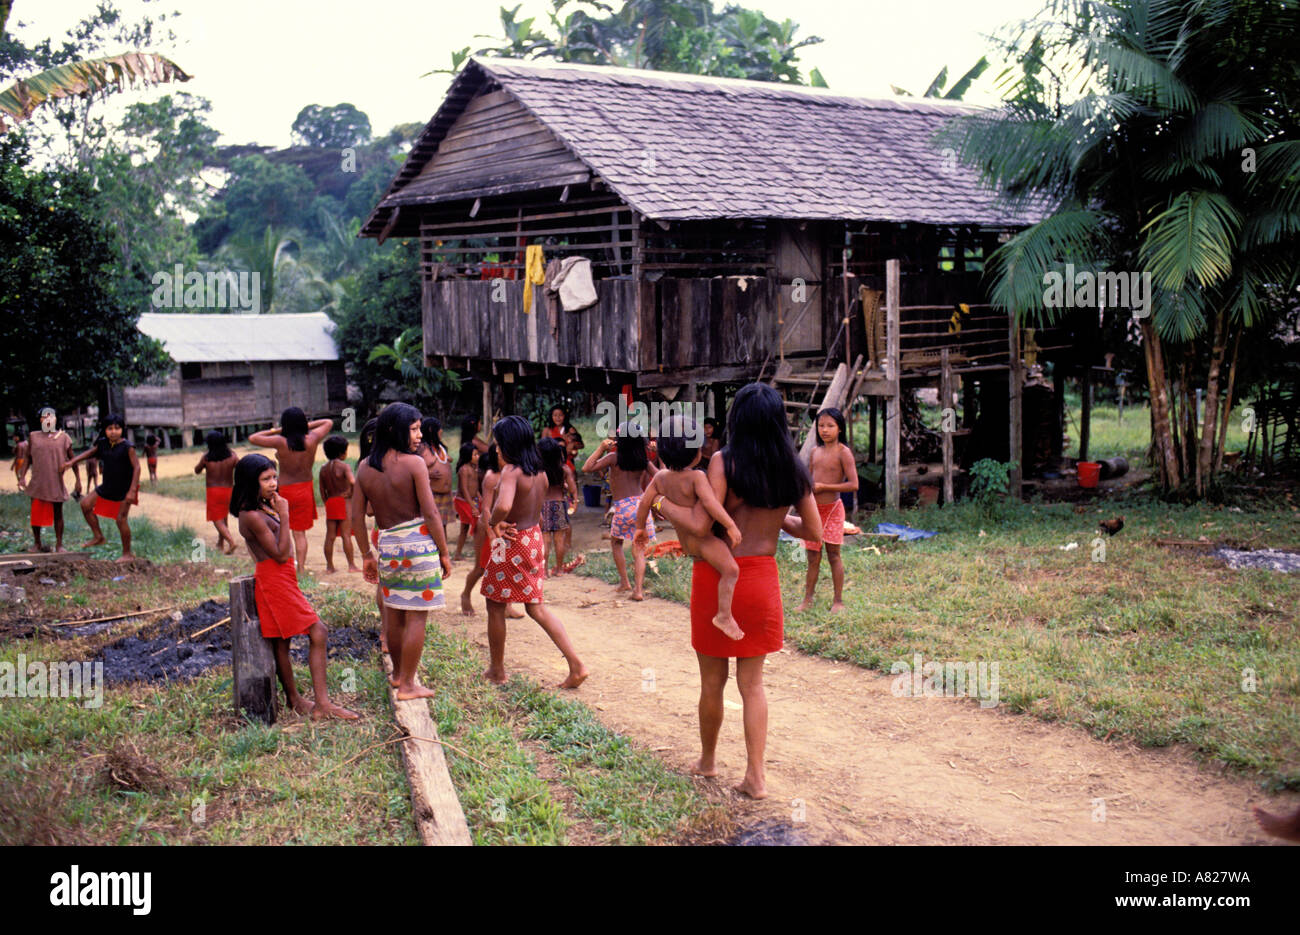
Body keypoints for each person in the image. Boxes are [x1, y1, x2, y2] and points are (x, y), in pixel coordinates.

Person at [655, 383, 821, 799]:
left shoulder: (724, 462)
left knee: (712, 682)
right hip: (762, 579)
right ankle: (756, 776)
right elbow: (814, 531)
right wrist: (777, 518)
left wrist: (658, 503)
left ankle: (708, 760)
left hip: (717, 576)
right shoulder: (793, 468)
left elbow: (698, 523)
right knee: (753, 685)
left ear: (737, 420)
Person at [232, 453, 358, 720]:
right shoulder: (251, 515)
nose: (273, 483)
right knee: (318, 631)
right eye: (265, 479)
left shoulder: (262, 507)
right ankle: (322, 704)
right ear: (249, 482)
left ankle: (294, 699)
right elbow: (280, 553)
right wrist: (286, 515)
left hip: (281, 576)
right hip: (274, 578)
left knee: (282, 640)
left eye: (274, 477)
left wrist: (278, 512)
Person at [352, 403, 452, 700]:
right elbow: (431, 512)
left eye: (420, 428)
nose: (420, 435)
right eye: (414, 429)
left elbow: (357, 517)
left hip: (388, 545)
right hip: (418, 543)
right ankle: (408, 684)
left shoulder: (365, 466)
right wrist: (444, 552)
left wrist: (366, 554)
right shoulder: (414, 464)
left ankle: (398, 675)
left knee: (394, 615)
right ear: (395, 430)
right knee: (417, 617)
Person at [481, 415, 588, 689]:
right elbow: (537, 512)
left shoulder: (511, 472)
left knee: (495, 605)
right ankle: (576, 664)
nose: (496, 449)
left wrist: (494, 522)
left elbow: (503, 506)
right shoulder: (539, 472)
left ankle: (497, 670)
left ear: (508, 445)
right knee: (536, 607)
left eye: (498, 444)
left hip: (513, 541)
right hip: (532, 538)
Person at [633, 414, 743, 640]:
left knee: (725, 570)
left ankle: (722, 615)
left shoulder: (661, 477)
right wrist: (730, 524)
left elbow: (645, 501)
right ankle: (723, 615)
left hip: (686, 542)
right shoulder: (696, 477)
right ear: (697, 452)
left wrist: (640, 528)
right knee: (731, 570)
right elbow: (711, 503)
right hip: (704, 542)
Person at [248, 408, 334, 571]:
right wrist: (301, 427)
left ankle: (287, 565)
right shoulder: (313, 438)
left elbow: (253, 438)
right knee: (300, 534)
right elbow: (328, 422)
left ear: (285, 425)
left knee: (282, 530)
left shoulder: (281, 441)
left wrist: (280, 430)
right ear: (304, 423)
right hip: (305, 489)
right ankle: (301, 568)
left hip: (284, 490)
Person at [796, 408, 859, 614]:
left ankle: (838, 600)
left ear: (840, 428)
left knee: (834, 555)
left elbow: (853, 484)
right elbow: (811, 481)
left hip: (833, 510)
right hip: (814, 510)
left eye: (830, 426)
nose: (825, 430)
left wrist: (825, 487)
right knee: (813, 557)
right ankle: (807, 599)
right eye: (821, 426)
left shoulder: (843, 452)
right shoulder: (815, 451)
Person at [582, 427, 657, 599]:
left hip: (622, 507)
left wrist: (601, 448)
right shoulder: (643, 460)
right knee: (639, 549)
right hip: (641, 505)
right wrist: (658, 454)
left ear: (619, 441)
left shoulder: (613, 458)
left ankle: (625, 582)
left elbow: (587, 467)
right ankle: (638, 590)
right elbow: (662, 476)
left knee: (616, 543)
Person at [64, 414, 140, 562]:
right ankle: (98, 536)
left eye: (117, 428)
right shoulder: (103, 443)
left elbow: (137, 468)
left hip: (125, 489)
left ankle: (127, 554)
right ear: (105, 430)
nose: (113, 432)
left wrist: (132, 490)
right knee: (85, 504)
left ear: (122, 430)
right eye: (109, 428)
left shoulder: (128, 447)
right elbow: (91, 452)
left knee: (121, 520)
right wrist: (72, 461)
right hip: (107, 486)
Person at [18, 408, 81, 552]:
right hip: (37, 482)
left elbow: (73, 460)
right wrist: (22, 477)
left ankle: (59, 544)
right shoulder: (33, 437)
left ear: (55, 419)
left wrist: (78, 480)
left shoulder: (63, 438)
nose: (46, 419)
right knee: (36, 514)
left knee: (58, 513)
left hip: (55, 482)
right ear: (39, 420)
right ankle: (37, 543)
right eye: (43, 417)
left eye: (50, 416)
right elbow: (28, 458)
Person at [538, 437, 583, 574]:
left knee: (545, 540)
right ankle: (559, 569)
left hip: (543, 505)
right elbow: (573, 489)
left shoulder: (538, 470)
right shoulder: (564, 469)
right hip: (559, 504)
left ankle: (544, 571)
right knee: (559, 539)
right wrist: (574, 502)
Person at [319, 434, 360, 574]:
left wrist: (328, 503)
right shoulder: (344, 466)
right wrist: (350, 492)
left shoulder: (323, 469)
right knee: (346, 535)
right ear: (342, 452)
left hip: (331, 502)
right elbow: (353, 482)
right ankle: (351, 565)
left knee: (330, 536)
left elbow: (322, 491)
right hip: (344, 502)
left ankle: (329, 566)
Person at [194, 430, 238, 555]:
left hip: (214, 491)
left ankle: (231, 542)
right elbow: (241, 467)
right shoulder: (232, 456)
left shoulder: (207, 458)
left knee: (216, 519)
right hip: (229, 490)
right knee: (224, 518)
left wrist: (202, 462)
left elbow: (197, 470)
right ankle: (220, 544)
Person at [419, 417, 456, 542]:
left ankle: (442, 554)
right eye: (439, 428)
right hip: (432, 493)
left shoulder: (440, 447)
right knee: (432, 525)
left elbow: (448, 459)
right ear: (431, 429)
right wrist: (428, 474)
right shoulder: (422, 448)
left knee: (443, 525)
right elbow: (415, 468)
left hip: (445, 494)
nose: (441, 431)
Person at [452, 443, 480, 560]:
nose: (477, 456)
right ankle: (479, 553)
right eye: (475, 454)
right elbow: (464, 489)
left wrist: (479, 497)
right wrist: (472, 506)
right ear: (468, 455)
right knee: (477, 525)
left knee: (464, 528)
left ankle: (458, 554)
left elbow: (474, 486)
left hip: (471, 501)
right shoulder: (464, 469)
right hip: (463, 501)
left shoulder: (473, 468)